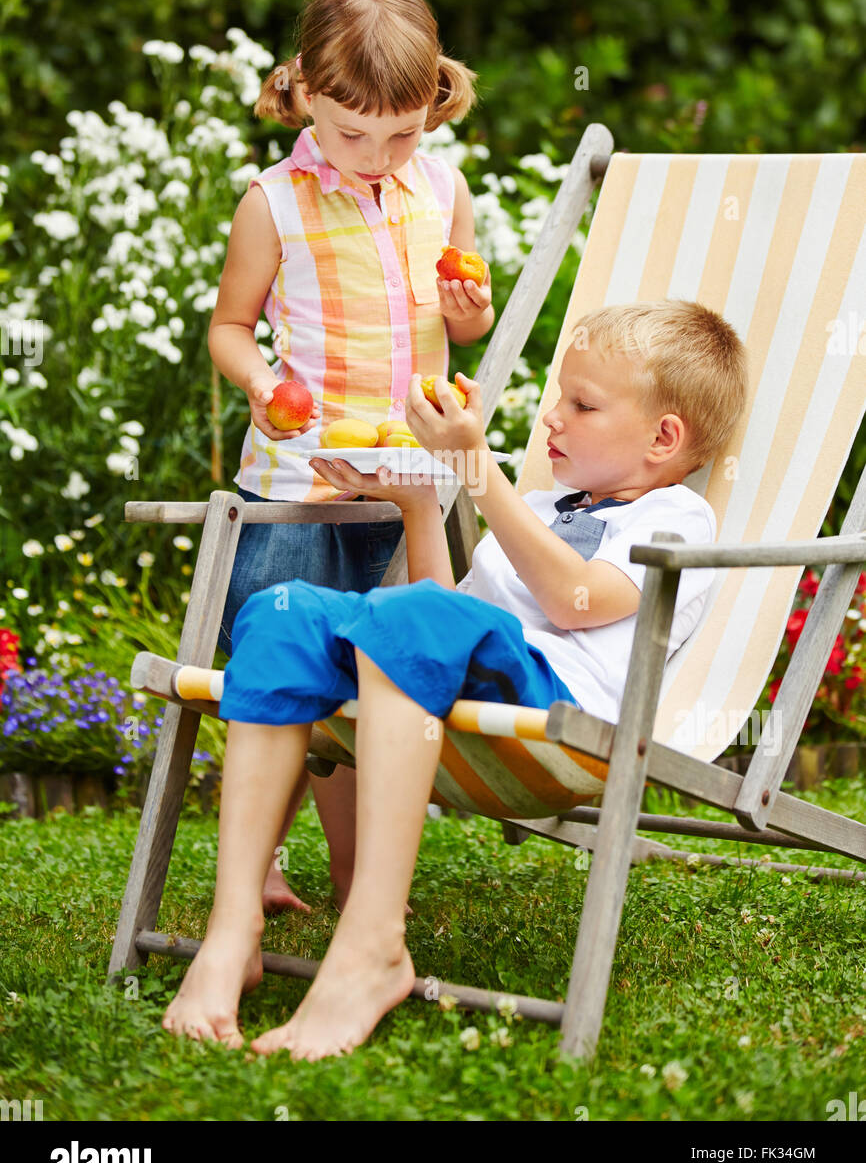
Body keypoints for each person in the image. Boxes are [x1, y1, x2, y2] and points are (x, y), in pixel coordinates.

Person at [162, 299, 748, 1061]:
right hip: (467, 686)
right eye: (555, 401)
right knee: (280, 612)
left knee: (414, 621)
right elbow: (441, 612)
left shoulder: (676, 520)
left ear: (664, 438)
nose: (552, 421)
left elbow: (577, 604)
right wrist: (414, 504)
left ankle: (374, 945)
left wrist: (478, 468)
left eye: (582, 404)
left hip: (562, 711)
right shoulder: (541, 506)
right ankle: (232, 927)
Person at [208, 0, 494, 916]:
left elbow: (463, 326)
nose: (379, 155)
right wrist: (259, 385)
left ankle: (348, 869)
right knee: (284, 669)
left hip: (405, 478)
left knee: (369, 679)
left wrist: (473, 314)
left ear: (437, 99)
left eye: (404, 132)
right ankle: (252, 873)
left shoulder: (443, 189)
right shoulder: (274, 203)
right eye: (350, 133)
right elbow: (231, 329)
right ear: (303, 97)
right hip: (298, 482)